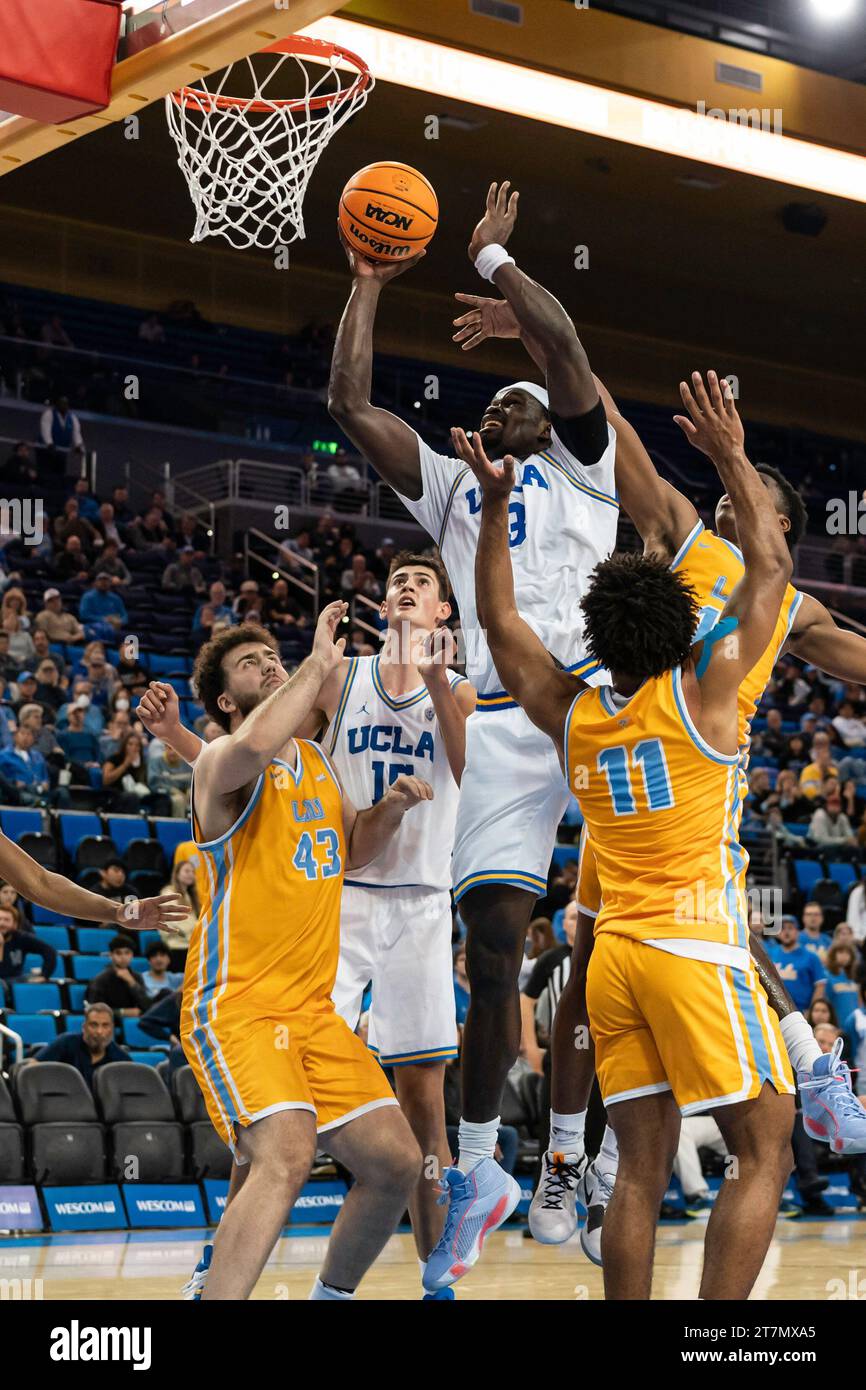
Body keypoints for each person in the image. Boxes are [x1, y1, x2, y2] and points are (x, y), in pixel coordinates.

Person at [459, 289, 866, 1246]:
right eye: (726, 496)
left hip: (686, 766)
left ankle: (601, 1159)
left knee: (632, 950)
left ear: (775, 525)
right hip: (632, 751)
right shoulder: (687, 539)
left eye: (746, 504)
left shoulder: (793, 608)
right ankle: (572, 1161)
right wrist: (545, 340)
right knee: (587, 957)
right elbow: (607, 435)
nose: (727, 507)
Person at [329, 181, 619, 1281]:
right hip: (498, 728)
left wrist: (496, 264)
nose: (504, 412)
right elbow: (351, 408)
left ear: (550, 418)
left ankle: (577, 1159)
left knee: (607, 947)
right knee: (494, 950)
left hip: (594, 708)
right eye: (490, 406)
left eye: (521, 403)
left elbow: (566, 345)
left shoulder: (591, 468)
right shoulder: (454, 485)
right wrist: (364, 287)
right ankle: (492, 1161)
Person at [139, 552, 475, 1298]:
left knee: (393, 1158)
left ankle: (332, 1295)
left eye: (273, 655)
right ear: (227, 703)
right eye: (252, 665)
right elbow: (256, 747)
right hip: (239, 1005)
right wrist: (320, 660)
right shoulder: (224, 760)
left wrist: (391, 808)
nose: (269, 664)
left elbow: (356, 843)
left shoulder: (320, 767)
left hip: (311, 1012)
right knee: (286, 1150)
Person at [30, 1003, 128, 1088]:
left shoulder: (121, 1058)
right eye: (94, 1025)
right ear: (84, 1027)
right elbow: (31, 1068)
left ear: (112, 1029)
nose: (99, 1031)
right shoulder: (65, 1042)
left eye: (105, 1025)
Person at [84, 936, 150, 1017]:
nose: (123, 957)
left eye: (127, 952)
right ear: (111, 955)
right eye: (118, 953)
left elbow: (148, 1007)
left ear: (132, 955)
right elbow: (96, 1011)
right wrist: (123, 1012)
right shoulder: (100, 979)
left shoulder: (137, 977)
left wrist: (132, 983)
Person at [0, 904, 57, 992]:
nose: (1, 923)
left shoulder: (21, 937)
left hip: (14, 981)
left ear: (15, 924)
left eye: (6, 920)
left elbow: (49, 951)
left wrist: (44, 975)